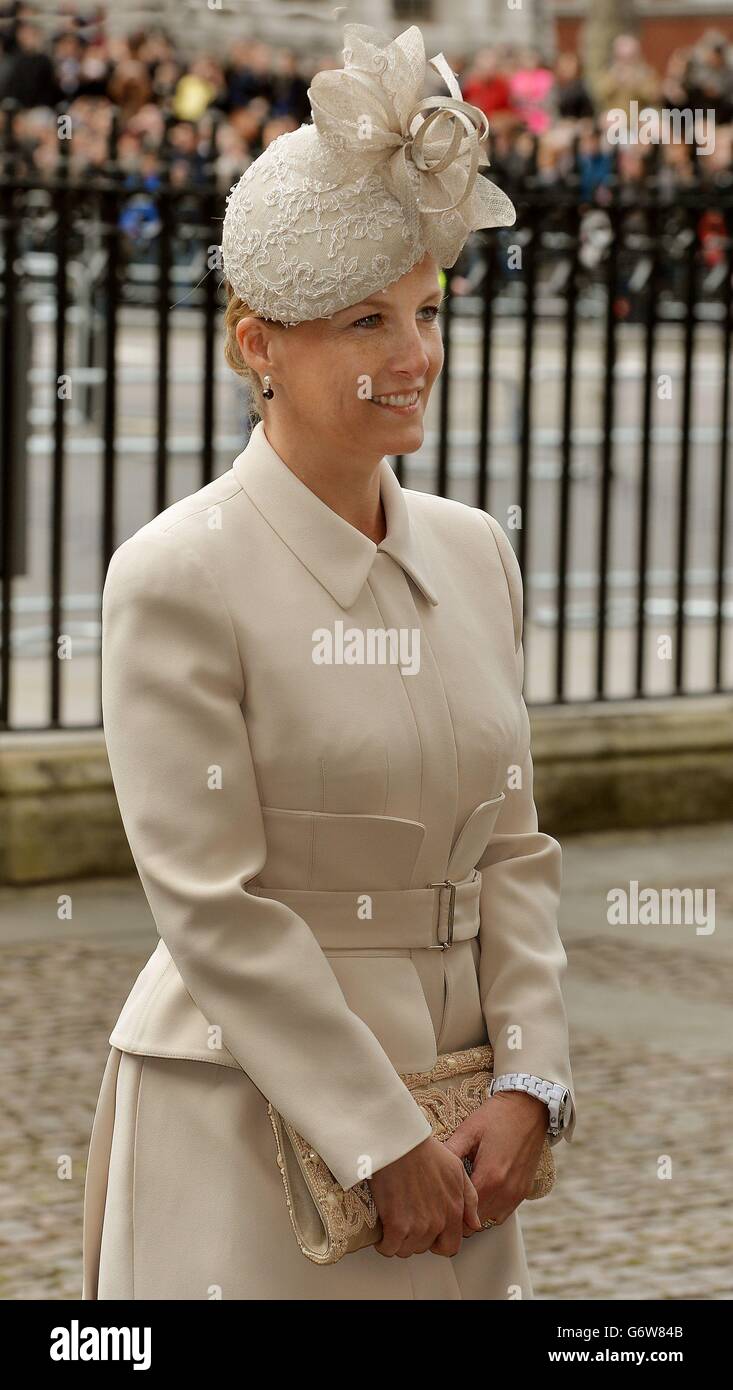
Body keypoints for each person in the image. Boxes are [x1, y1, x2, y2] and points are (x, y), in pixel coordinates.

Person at [81, 21, 575, 1302]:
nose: (412, 356)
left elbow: (513, 848)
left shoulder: (476, 554)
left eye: (425, 310)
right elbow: (211, 905)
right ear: (257, 344)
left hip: (472, 1133)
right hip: (250, 1124)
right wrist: (377, 1134)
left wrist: (529, 1079)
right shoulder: (176, 574)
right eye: (364, 320)